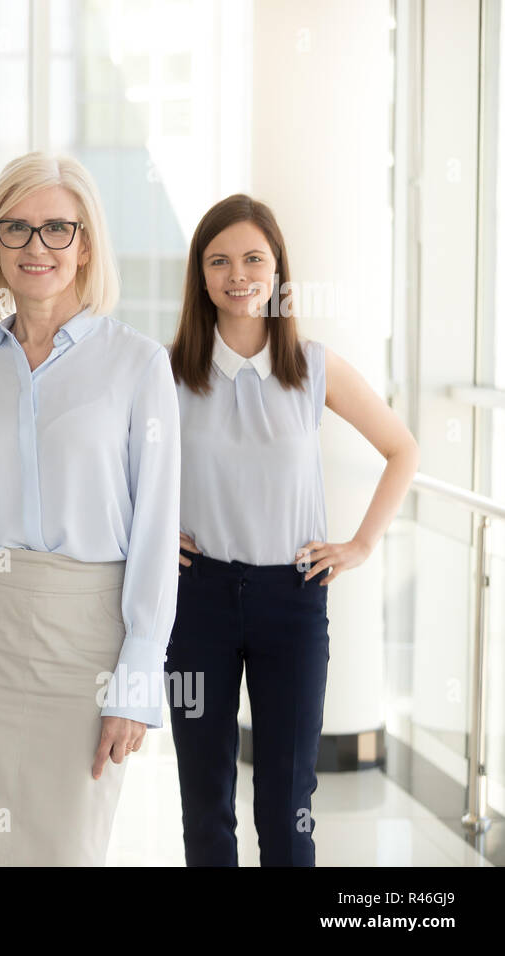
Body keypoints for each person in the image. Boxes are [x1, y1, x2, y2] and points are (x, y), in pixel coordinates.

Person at [0, 152, 180, 866]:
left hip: (81, 646)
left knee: (64, 850)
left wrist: (138, 679)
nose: (36, 247)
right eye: (16, 229)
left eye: (58, 228)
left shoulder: (139, 365)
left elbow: (154, 534)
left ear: (87, 244)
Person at [166, 194, 418, 866]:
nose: (237, 273)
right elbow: (117, 471)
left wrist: (361, 544)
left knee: (288, 805)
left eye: (253, 258)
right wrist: (151, 534)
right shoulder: (169, 371)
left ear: (278, 271)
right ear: (201, 275)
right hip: (198, 601)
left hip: (293, 599)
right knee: (205, 799)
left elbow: (403, 448)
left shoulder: (312, 367)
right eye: (219, 260)